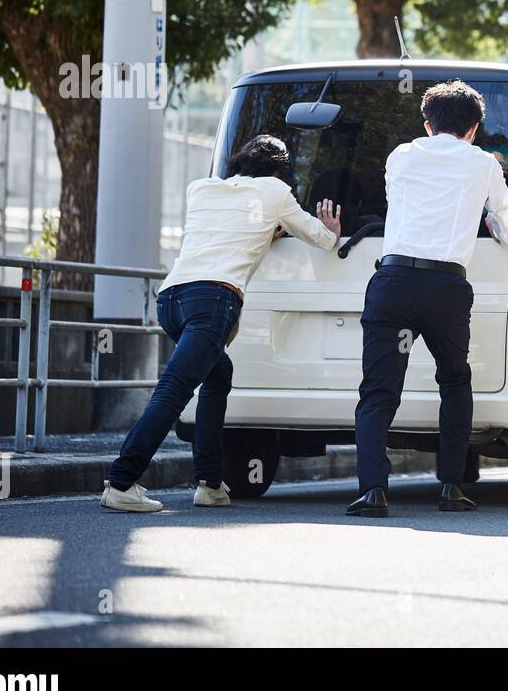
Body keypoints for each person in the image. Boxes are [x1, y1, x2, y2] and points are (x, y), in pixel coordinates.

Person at [102, 135, 343, 513]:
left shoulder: (202, 189)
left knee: (218, 376)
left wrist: (267, 229)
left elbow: (226, 230)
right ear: (279, 169)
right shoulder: (277, 191)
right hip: (213, 302)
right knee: (173, 390)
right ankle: (122, 482)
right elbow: (321, 239)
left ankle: (211, 484)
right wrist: (330, 228)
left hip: (171, 301)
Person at [347, 80, 508, 518]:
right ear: (475, 128)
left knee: (379, 389)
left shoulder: (401, 156)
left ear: (427, 125)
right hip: (446, 287)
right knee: (455, 382)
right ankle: (451, 486)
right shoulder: (484, 164)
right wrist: (488, 218)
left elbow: (404, 205)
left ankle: (373, 491)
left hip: (393, 282)